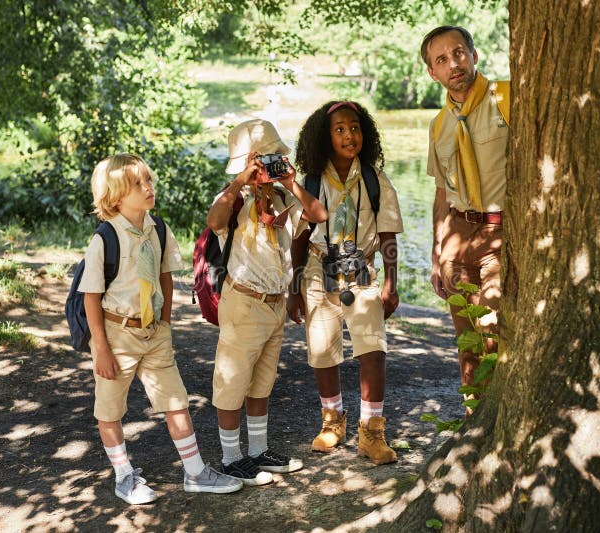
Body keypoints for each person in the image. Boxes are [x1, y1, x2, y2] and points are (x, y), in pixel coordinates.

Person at [79, 153, 242, 505]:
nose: (149, 187)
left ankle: (195, 471)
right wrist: (102, 348)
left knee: (175, 401)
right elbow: (91, 297)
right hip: (116, 333)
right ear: (115, 195)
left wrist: (165, 323)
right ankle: (124, 476)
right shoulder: (105, 238)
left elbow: (165, 279)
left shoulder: (159, 229)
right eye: (138, 184)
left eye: (149, 180)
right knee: (109, 409)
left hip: (153, 332)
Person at [206, 119, 327, 485]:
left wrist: (290, 182)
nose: (267, 167)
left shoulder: (284, 197)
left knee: (262, 383)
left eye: (273, 159)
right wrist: (241, 181)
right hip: (244, 301)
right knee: (232, 382)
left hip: (274, 305)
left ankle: (258, 452)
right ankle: (231, 458)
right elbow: (214, 221)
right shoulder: (235, 197)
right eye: (260, 160)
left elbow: (319, 215)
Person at [288, 100, 403, 465]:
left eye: (354, 127)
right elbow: (299, 240)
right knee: (323, 351)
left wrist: (391, 283)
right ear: (326, 136)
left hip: (363, 271)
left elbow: (387, 235)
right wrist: (294, 289)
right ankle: (332, 421)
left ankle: (372, 432)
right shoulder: (310, 182)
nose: (348, 135)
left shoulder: (373, 179)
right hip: (318, 272)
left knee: (372, 350)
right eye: (339, 129)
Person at [421, 26, 508, 393]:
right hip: (458, 239)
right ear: (433, 72)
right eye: (441, 59)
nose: (453, 64)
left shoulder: (507, 97)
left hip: (501, 235)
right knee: (467, 342)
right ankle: (474, 420)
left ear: (474, 55)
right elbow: (442, 192)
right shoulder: (439, 124)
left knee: (491, 332)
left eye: (458, 53)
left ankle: (498, 416)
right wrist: (438, 250)